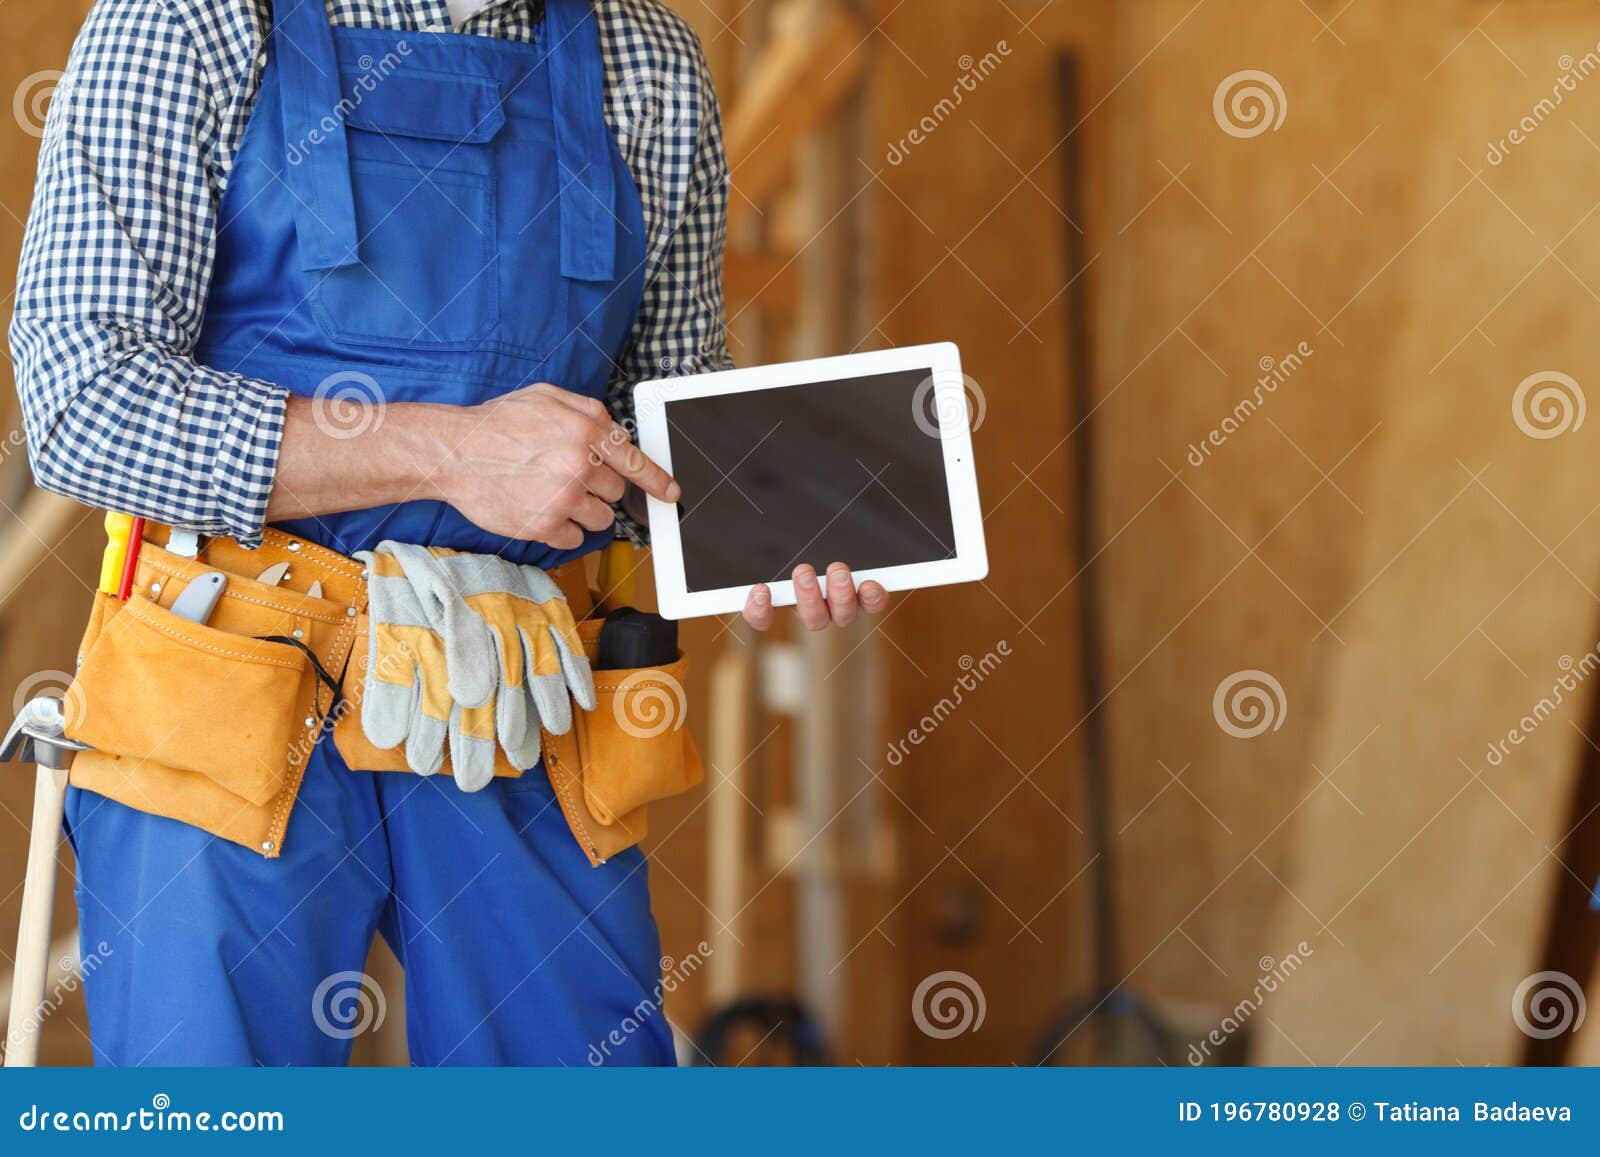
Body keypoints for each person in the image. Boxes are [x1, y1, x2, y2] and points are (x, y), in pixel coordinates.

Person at [10, 0, 886, 1067]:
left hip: (515, 686)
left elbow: (662, 411)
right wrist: (445, 452)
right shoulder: (189, 21)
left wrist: (758, 535)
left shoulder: (645, 60)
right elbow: (82, 402)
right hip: (227, 685)